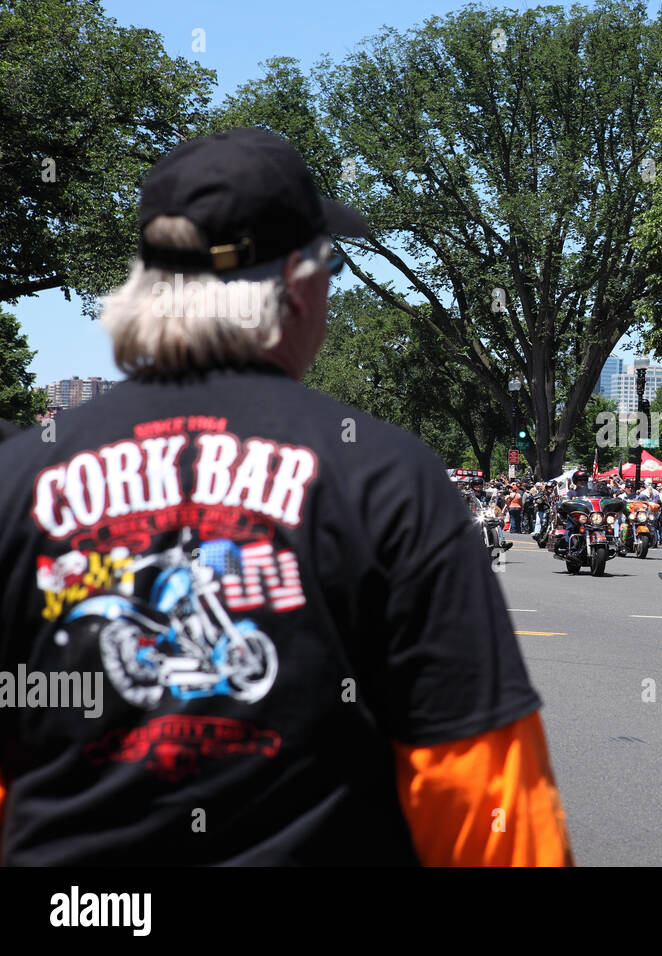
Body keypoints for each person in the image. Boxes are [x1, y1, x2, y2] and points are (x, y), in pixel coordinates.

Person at [0, 127, 570, 865]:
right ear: (297, 283)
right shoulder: (387, 479)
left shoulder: (18, 481)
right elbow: (486, 808)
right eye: (328, 265)